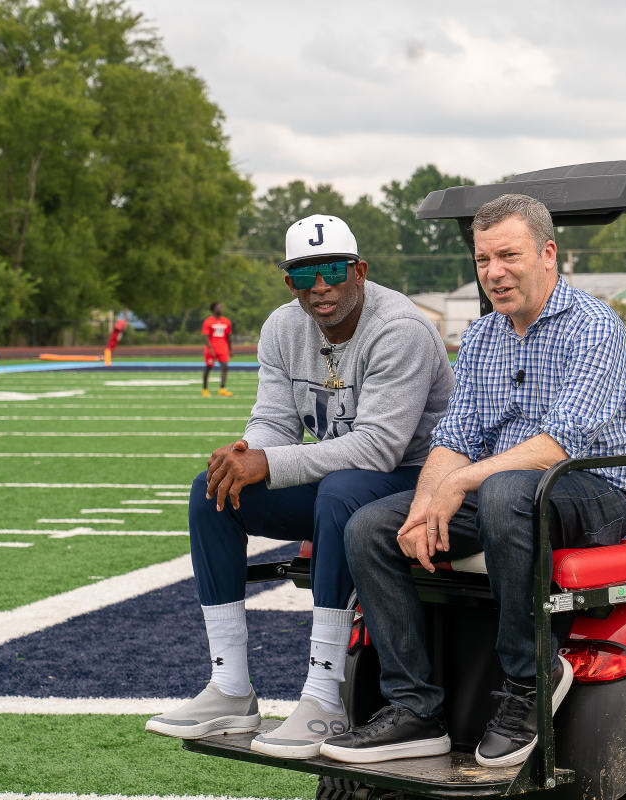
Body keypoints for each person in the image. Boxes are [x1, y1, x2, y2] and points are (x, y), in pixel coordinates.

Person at [322, 194, 626, 768]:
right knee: (370, 526)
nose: (494, 273)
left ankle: (529, 678)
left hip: (595, 491)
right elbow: (454, 435)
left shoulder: (595, 328)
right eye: (482, 260)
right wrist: (426, 504)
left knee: (503, 491)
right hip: (508, 493)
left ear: (547, 254)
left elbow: (556, 447)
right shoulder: (483, 337)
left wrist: (460, 483)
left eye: (508, 256)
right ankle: (413, 706)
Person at [145, 214, 454, 760]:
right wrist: (246, 455)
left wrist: (272, 463)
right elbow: (274, 423)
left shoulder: (399, 327)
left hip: (414, 479)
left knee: (340, 491)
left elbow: (380, 447)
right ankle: (230, 688)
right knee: (212, 491)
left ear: (359, 271)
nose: (320, 287)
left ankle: (324, 698)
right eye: (303, 275)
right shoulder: (282, 327)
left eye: (334, 270)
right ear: (288, 280)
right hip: (342, 474)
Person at [201, 302, 233, 398]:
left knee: (224, 367)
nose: (221, 309)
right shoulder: (208, 321)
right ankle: (205, 389)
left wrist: (230, 349)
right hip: (212, 348)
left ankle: (222, 389)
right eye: (219, 307)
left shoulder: (226, 321)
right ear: (214, 309)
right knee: (208, 368)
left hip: (223, 348)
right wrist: (210, 348)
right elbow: (205, 336)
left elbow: (228, 336)